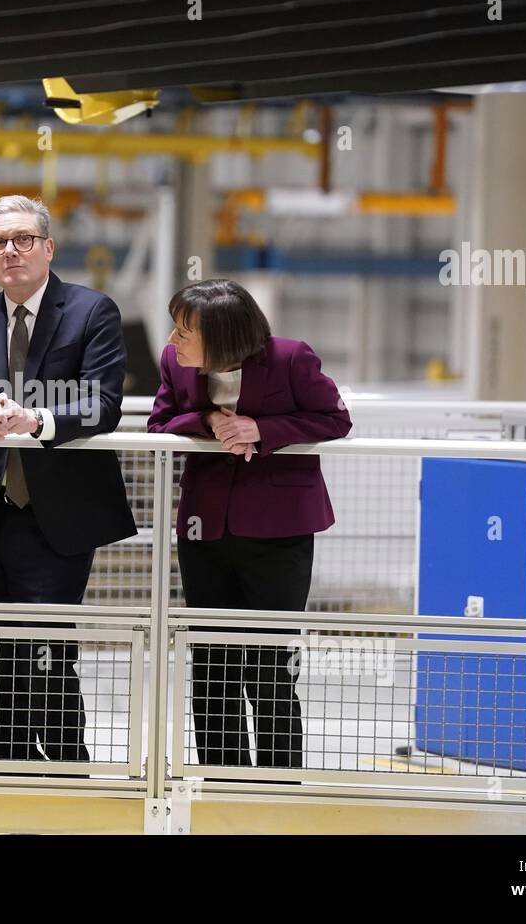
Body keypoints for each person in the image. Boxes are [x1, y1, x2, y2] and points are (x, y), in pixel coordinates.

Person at [0, 195, 136, 765]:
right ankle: (13, 763)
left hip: (56, 514)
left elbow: (103, 402)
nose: (10, 251)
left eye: (23, 239)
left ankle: (67, 766)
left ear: (49, 248)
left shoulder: (91, 311)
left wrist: (38, 420)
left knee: (48, 648)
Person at [147, 279, 351, 771]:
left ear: (222, 334)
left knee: (270, 667)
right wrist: (208, 420)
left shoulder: (291, 359)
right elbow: (159, 425)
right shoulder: (175, 363)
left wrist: (263, 430)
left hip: (280, 532)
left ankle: (277, 788)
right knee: (212, 663)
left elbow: (335, 420)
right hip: (203, 531)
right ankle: (219, 779)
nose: (173, 341)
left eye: (183, 331)